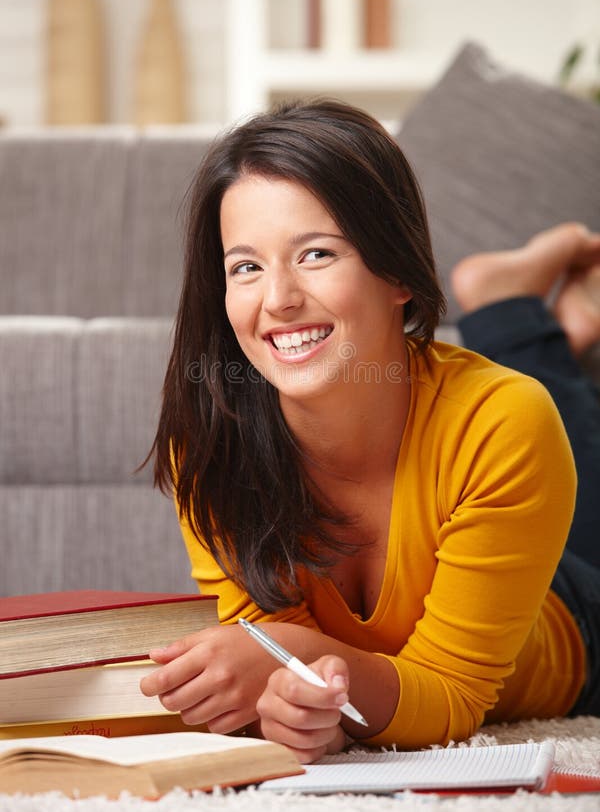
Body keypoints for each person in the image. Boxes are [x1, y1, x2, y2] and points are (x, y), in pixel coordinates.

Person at [140, 99, 600, 763]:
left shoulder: (504, 421)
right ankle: (518, 308)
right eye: (245, 266)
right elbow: (303, 678)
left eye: (317, 253)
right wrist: (307, 704)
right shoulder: (211, 443)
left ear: (399, 274)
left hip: (570, 616)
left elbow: (448, 696)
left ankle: (511, 307)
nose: (278, 299)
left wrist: (299, 664)